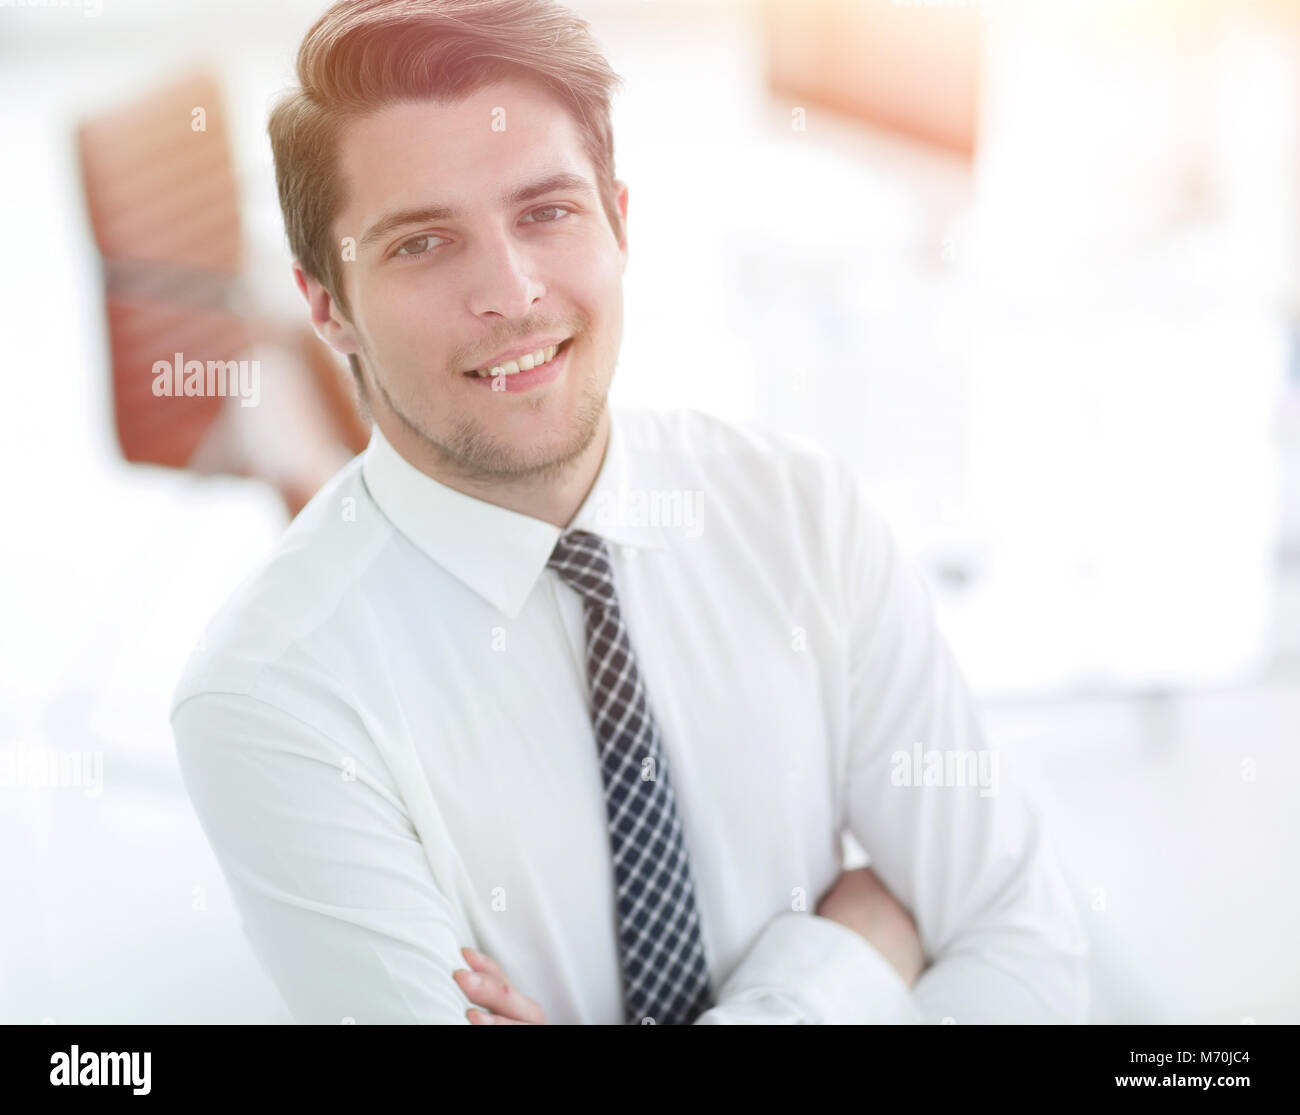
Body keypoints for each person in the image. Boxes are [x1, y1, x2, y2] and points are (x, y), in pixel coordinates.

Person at [170, 0, 1089, 1025]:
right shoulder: (270, 694)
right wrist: (832, 971)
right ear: (325, 301)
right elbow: (942, 934)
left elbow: (1015, 941)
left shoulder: (799, 514)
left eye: (546, 213)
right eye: (422, 243)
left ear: (618, 220)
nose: (511, 292)